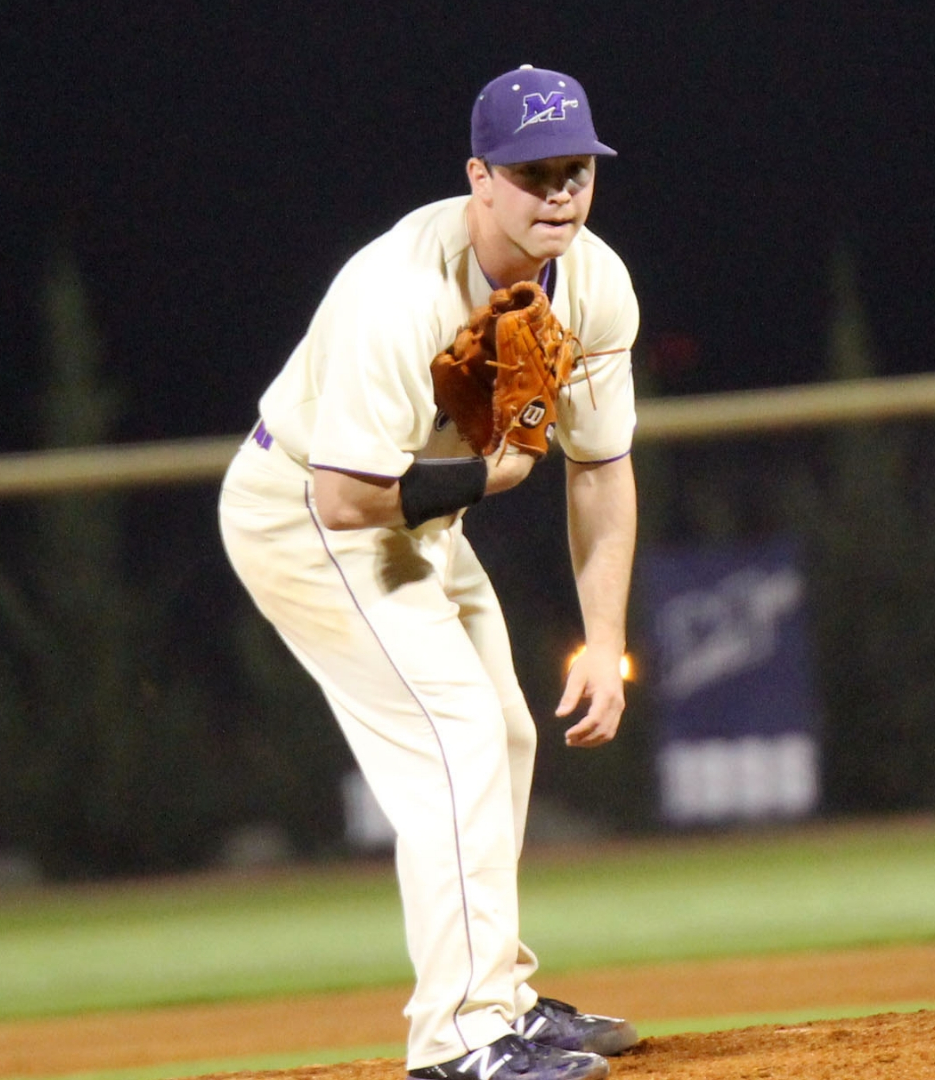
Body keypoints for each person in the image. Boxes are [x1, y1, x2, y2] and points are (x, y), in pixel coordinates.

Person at [218, 64, 640, 1080]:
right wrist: (487, 477)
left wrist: (607, 639)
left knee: (501, 729)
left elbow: (601, 471)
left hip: (417, 515)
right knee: (453, 731)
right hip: (305, 513)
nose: (560, 193)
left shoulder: (595, 283)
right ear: (479, 179)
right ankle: (459, 1044)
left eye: (575, 170)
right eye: (534, 173)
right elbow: (342, 499)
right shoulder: (396, 291)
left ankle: (499, 996)